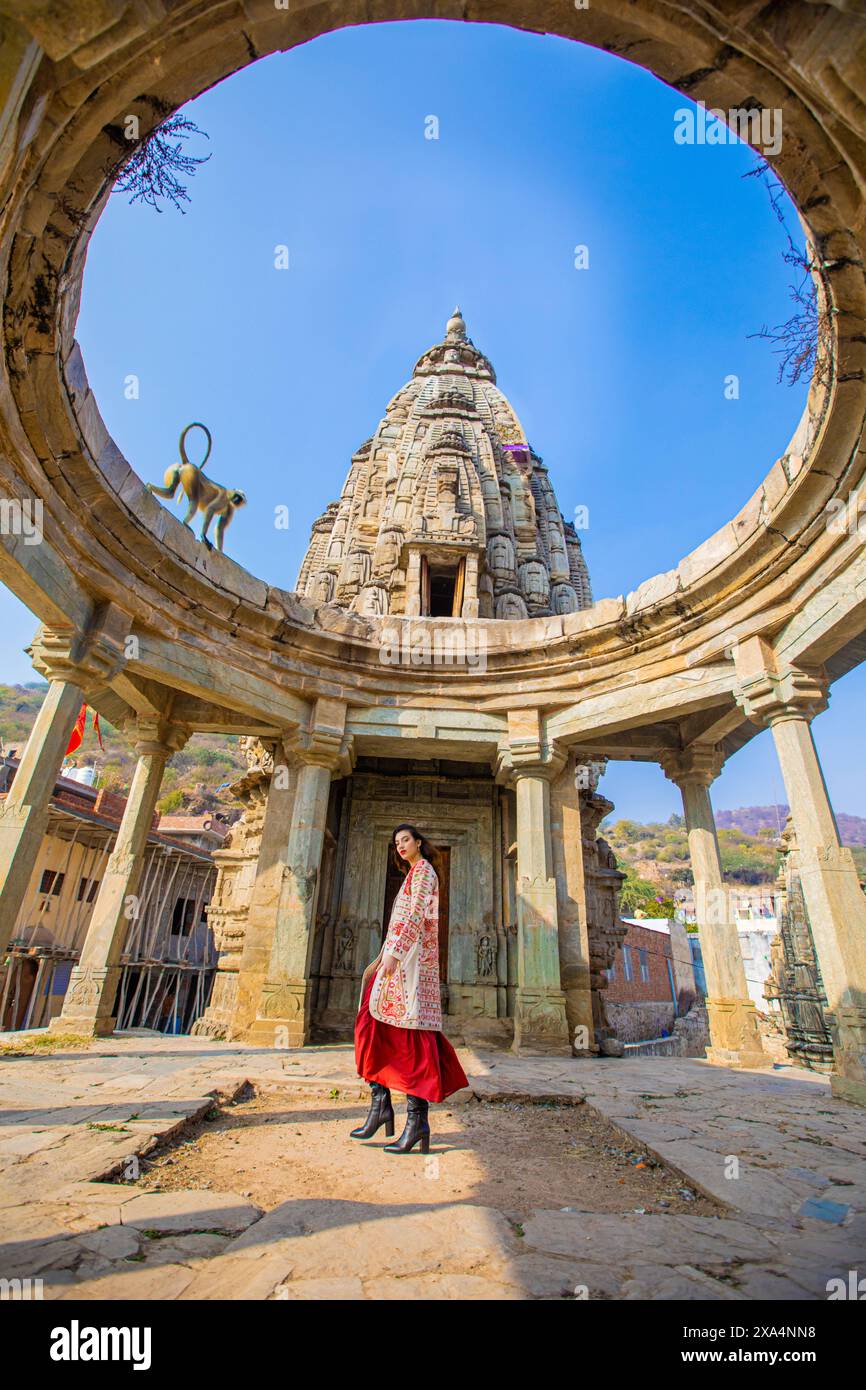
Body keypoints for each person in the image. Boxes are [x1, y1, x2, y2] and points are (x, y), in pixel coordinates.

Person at [352, 823, 468, 1153]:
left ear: (418, 842)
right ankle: (380, 1104)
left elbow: (416, 915)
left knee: (409, 1039)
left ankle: (416, 1121)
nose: (401, 845)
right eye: (396, 842)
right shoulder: (412, 874)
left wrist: (395, 953)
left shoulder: (424, 872)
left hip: (410, 965)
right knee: (372, 1026)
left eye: (406, 840)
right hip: (398, 961)